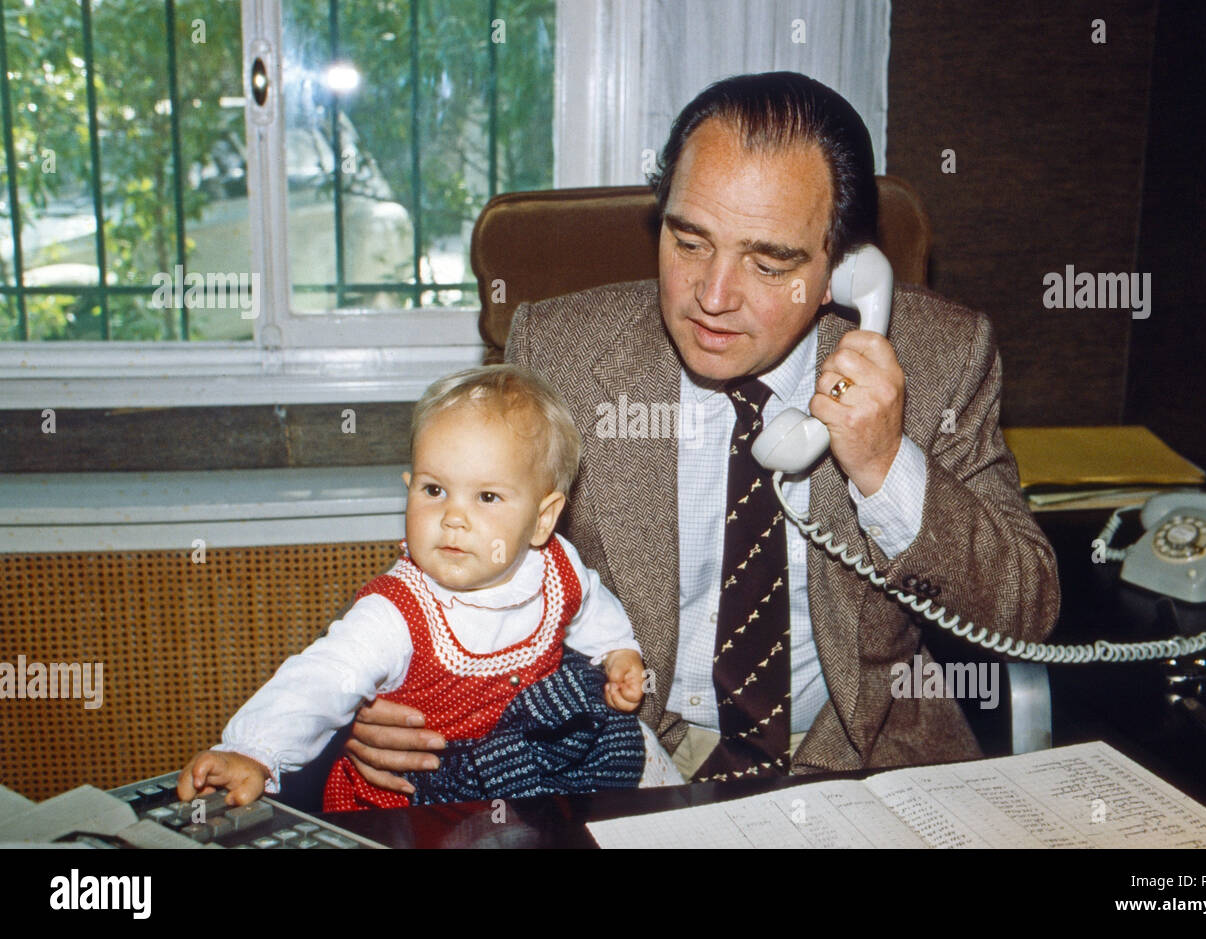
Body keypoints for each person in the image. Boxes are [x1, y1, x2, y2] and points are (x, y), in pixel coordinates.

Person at [345, 71, 1061, 787]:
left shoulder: (941, 356)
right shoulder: (555, 353)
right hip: (619, 752)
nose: (712, 298)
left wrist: (884, 465)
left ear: (843, 270)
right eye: (689, 242)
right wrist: (387, 688)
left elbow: (1026, 613)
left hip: (862, 758)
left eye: (769, 260)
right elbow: (446, 569)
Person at [178, 365, 679, 810]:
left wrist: (616, 651)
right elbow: (322, 679)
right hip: (422, 797)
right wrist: (253, 752)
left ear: (543, 518)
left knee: (623, 743)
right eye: (434, 490)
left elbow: (590, 604)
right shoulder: (397, 612)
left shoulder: (556, 566)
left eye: (487, 496)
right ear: (408, 485)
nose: (453, 518)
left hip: (533, 769)